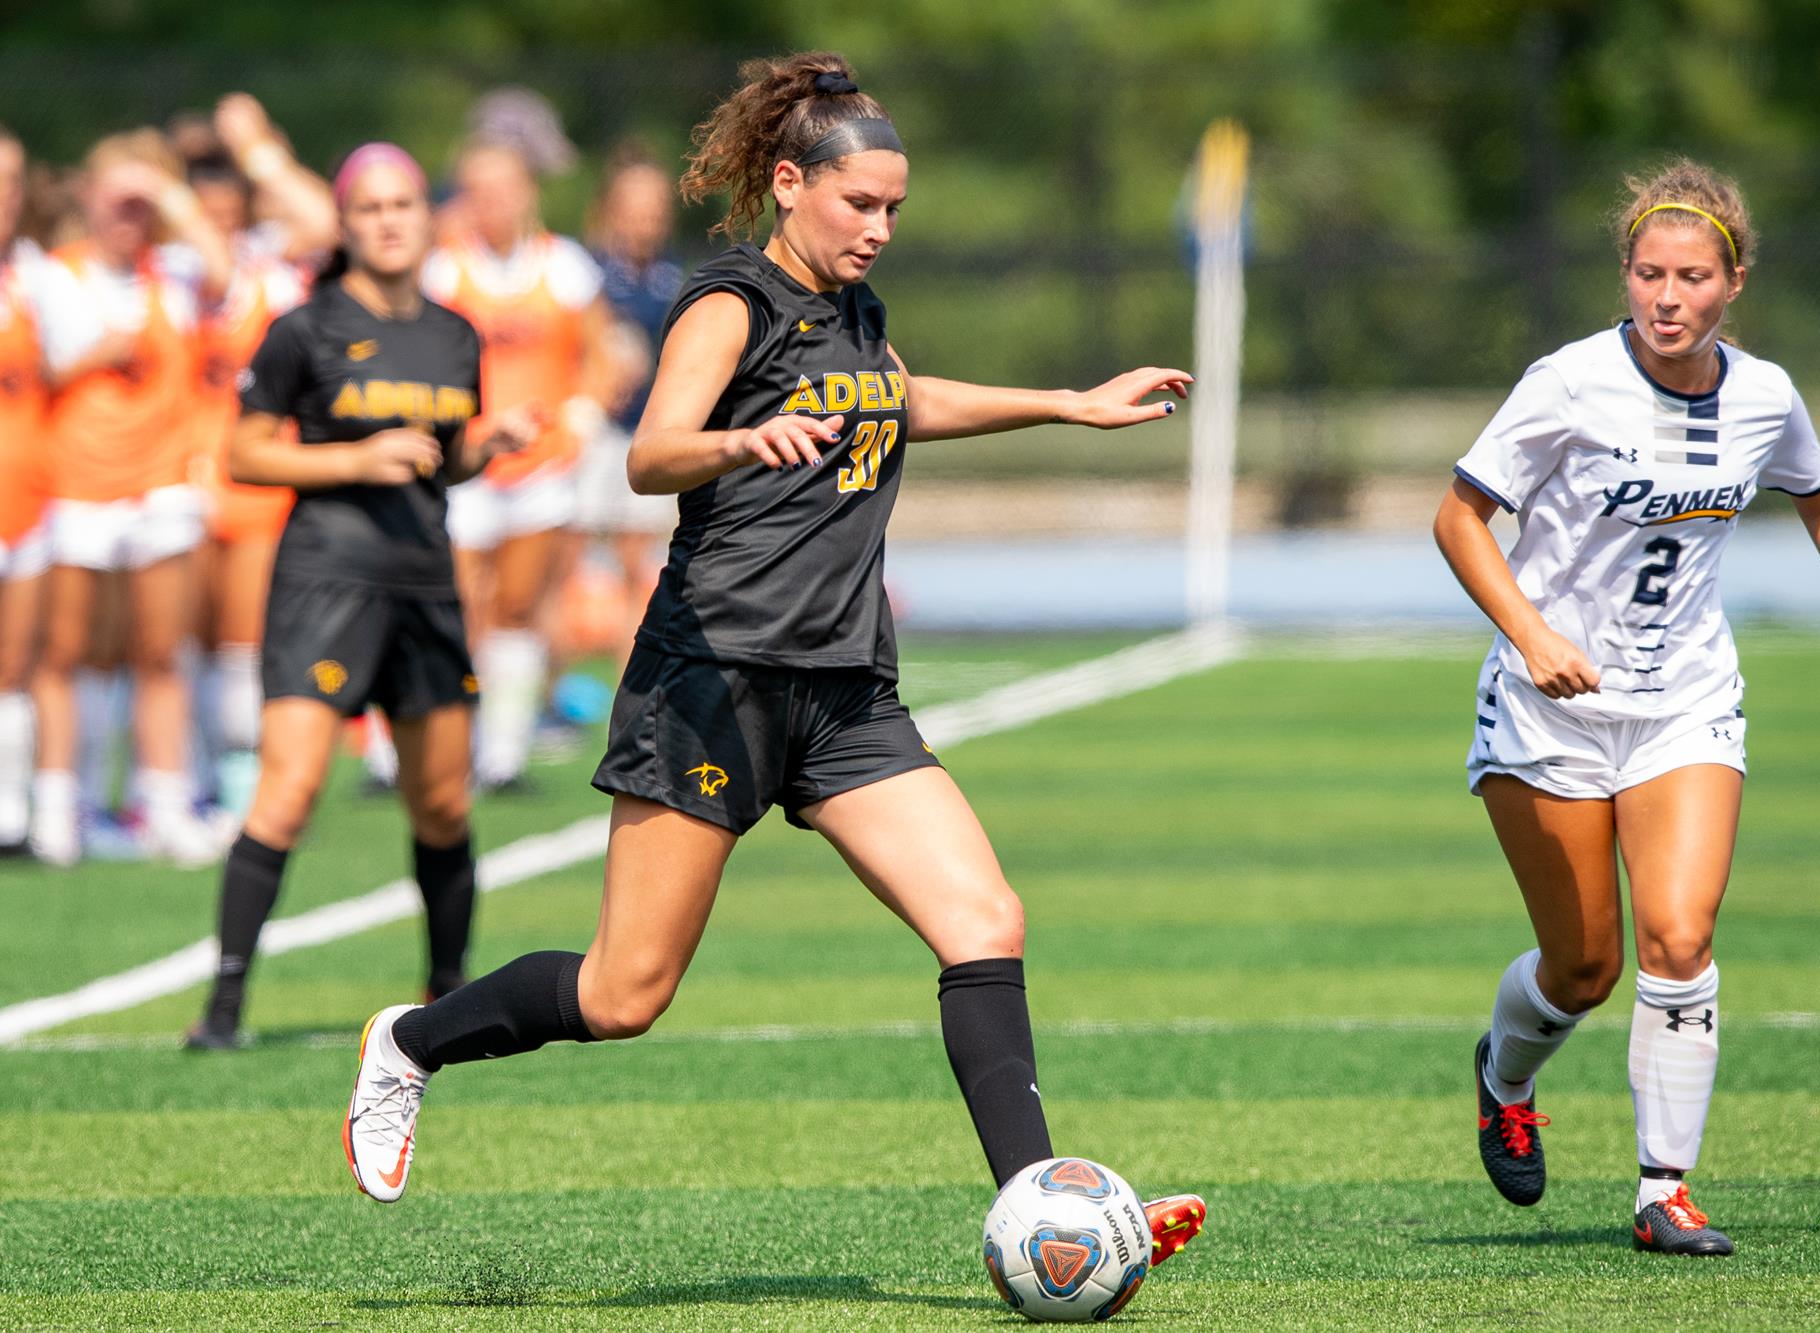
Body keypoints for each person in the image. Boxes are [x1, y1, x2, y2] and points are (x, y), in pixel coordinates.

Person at [343, 52, 1209, 1268]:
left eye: (895, 209)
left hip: (844, 688)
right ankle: (412, 1043)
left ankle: (1037, 1207)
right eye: (861, 204)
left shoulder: (857, 314)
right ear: (792, 182)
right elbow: (651, 453)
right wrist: (741, 443)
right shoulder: (730, 301)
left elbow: (900, 400)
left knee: (983, 917)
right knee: (620, 995)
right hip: (712, 681)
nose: (880, 228)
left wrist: (1069, 401)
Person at [1432, 159, 1820, 1256]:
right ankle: (1502, 1071)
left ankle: (1660, 1191)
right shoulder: (1566, 382)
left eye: (1690, 278)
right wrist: (1531, 634)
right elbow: (1458, 519)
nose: (1665, 297)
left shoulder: (1764, 395)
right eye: (1645, 273)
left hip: (1684, 703)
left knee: (1679, 931)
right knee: (1582, 964)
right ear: (1622, 275)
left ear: (1733, 283)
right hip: (1547, 709)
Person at [186, 143, 541, 1050]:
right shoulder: (304, 328)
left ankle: (450, 998)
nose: (389, 221)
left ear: (429, 219)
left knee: (443, 806)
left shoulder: (456, 335)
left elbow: (440, 460)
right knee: (290, 789)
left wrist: (483, 442)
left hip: (424, 582)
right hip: (326, 580)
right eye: (371, 209)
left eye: (405, 205)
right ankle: (222, 1008)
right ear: (346, 227)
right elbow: (246, 452)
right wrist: (352, 457)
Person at [25, 129, 233, 868]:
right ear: (87, 199)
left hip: (161, 487)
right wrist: (97, 355)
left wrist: (169, 191)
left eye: (139, 206)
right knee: (66, 653)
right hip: (78, 487)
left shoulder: (170, 275)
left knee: (159, 652)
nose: (129, 218)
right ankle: (59, 805)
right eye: (117, 202)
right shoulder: (54, 274)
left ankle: (166, 802)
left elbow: (221, 268)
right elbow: (41, 369)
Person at [421, 136, 618, 789]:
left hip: (540, 464)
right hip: (467, 461)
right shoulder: (443, 271)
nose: (493, 203)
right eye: (479, 190)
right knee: (454, 603)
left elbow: (602, 351)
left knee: (515, 604)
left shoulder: (563, 266)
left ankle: (502, 754)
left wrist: (583, 415)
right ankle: (437, 746)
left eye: (504, 188)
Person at [184, 94, 337, 819]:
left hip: (252, 482)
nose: (215, 217)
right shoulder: (169, 271)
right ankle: (181, 784)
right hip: (173, 481)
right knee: (181, 646)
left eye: (227, 205)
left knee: (242, 640)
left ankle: (243, 787)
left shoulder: (269, 270)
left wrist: (257, 150)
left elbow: (322, 222)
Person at [576, 142, 684, 673]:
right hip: (589, 435)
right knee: (562, 561)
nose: (646, 222)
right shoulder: (584, 273)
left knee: (636, 566)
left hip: (643, 435)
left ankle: (630, 690)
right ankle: (546, 692)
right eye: (635, 210)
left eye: (655, 212)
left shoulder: (672, 278)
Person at [0, 127, 49, 852]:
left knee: (17, 663)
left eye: (11, 183)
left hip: (30, 501)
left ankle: (10, 815)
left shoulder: (39, 277)